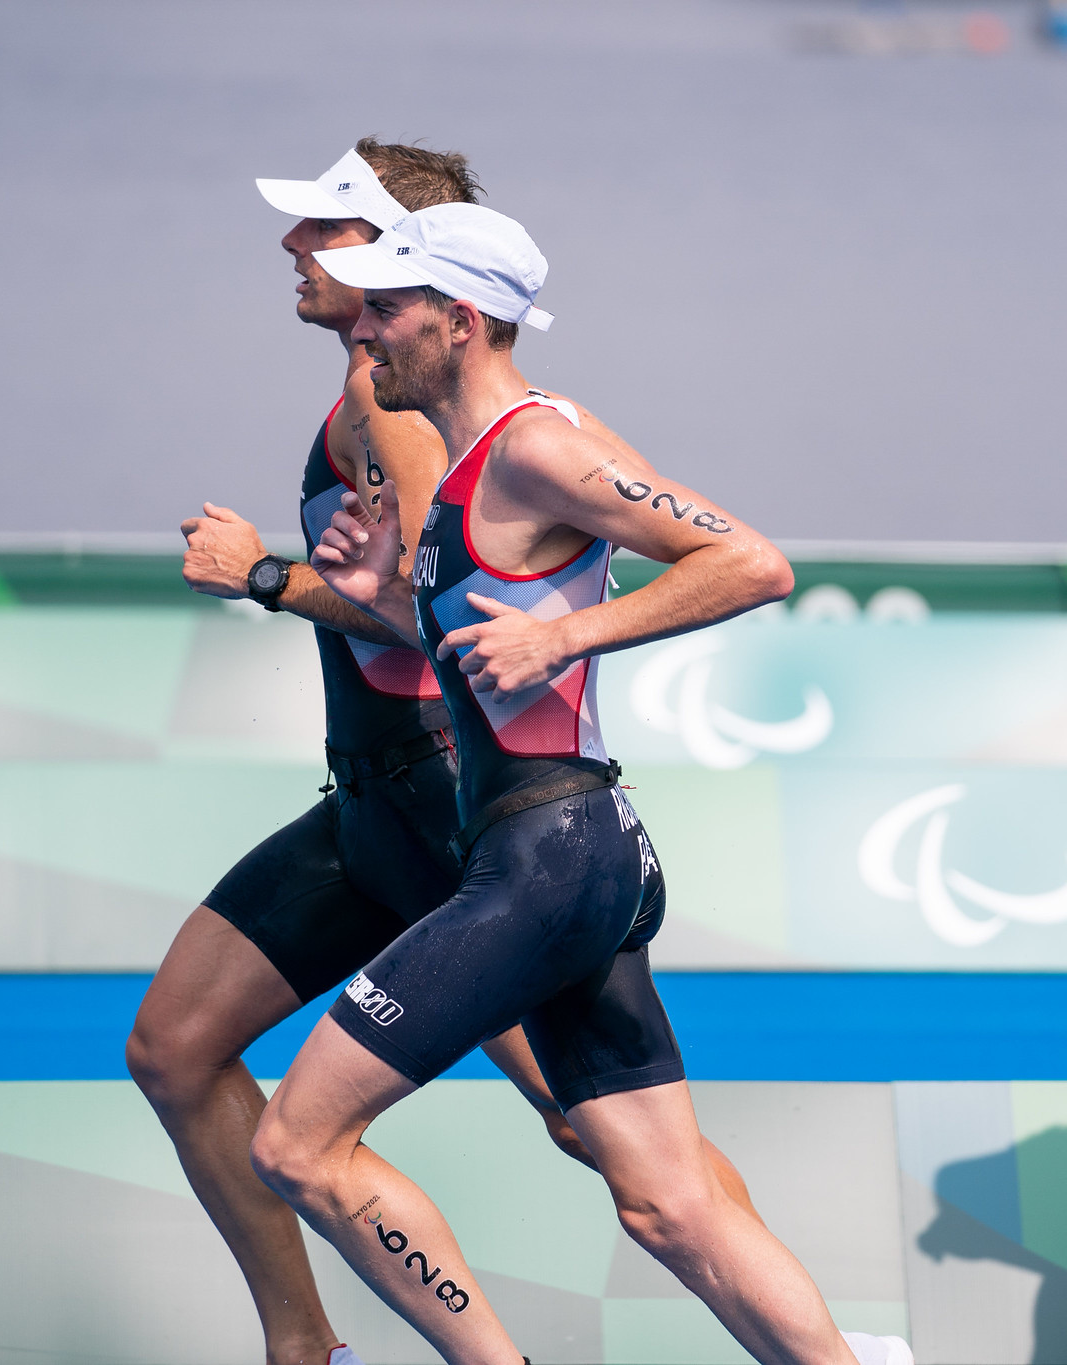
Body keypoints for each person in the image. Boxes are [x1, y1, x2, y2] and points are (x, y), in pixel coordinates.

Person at [126, 142, 756, 1365]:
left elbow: (434, 610)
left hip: (436, 799)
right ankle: (305, 1347)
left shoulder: (391, 409)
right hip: (366, 805)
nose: (292, 247)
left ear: (387, 252)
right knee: (175, 1048)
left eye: (321, 229)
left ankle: (809, 1340)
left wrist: (263, 577)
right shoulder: (373, 393)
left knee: (605, 1134)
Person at [252, 201, 905, 1365]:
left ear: (459, 320)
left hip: (547, 861)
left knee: (295, 1146)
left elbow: (751, 563)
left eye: (389, 307)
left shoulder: (535, 446)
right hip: (565, 854)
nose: (368, 329)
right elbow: (480, 629)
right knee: (669, 1206)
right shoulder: (468, 465)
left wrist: (567, 636)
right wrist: (373, 590)